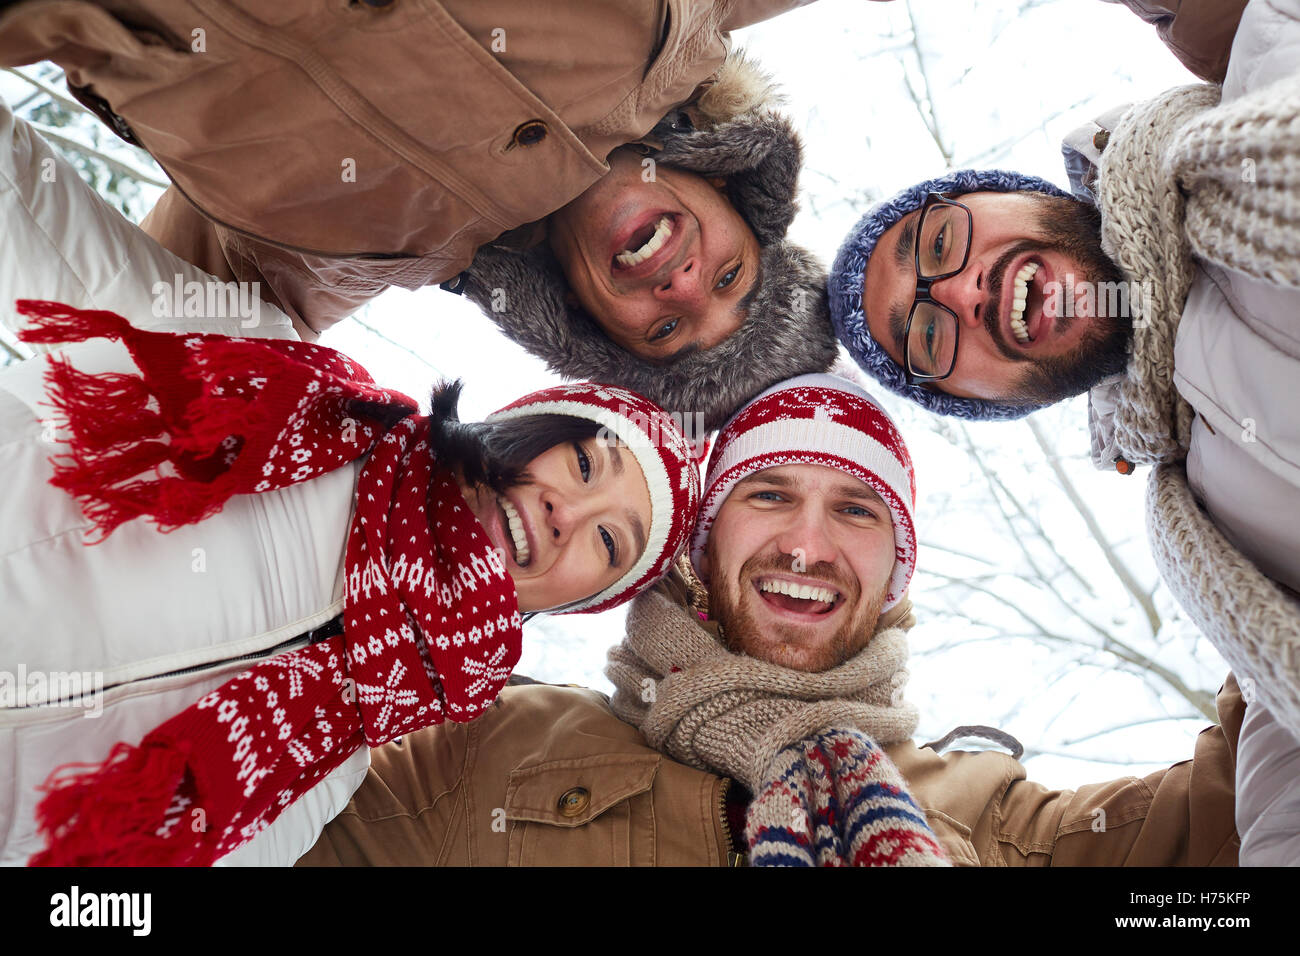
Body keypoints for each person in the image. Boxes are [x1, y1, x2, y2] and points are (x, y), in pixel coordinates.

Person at [0, 101, 702, 866]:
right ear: (523, 428)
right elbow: (40, 231)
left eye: (608, 541)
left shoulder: (329, 774)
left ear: (572, 600)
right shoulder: (290, 389)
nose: (566, 512)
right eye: (585, 464)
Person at [300, 375, 1242, 867]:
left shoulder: (995, 818)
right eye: (771, 495)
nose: (806, 543)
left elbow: (1247, 816)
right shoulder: (486, 751)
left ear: (893, 580)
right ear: (700, 549)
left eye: (857, 511)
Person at [827, 0, 1300, 864]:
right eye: (927, 337)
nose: (961, 292)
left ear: (1016, 191)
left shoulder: (1263, 74)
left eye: (940, 240)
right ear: (995, 401)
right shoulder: (1209, 525)